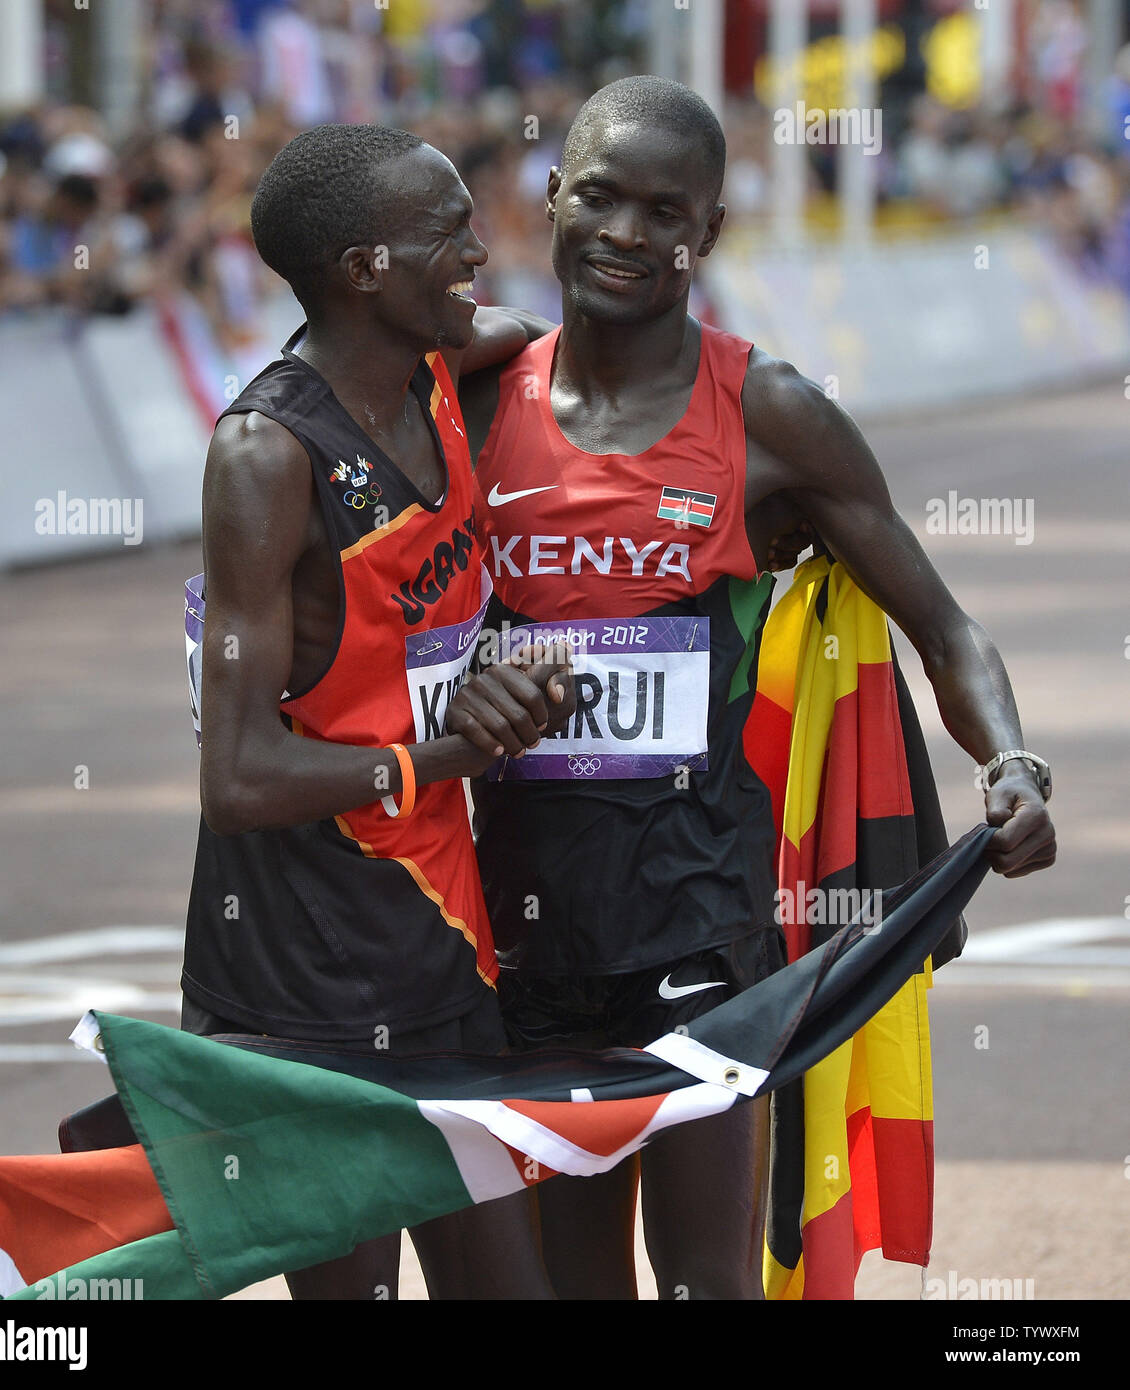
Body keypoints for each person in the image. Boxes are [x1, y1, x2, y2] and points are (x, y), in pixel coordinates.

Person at [456, 75, 1057, 1301]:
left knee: (703, 1283)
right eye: (603, 199)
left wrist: (1011, 763)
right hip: (524, 916)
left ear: (709, 232)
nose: (628, 234)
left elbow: (944, 626)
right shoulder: (473, 397)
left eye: (665, 211)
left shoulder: (767, 410)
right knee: (578, 1287)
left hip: (700, 915)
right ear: (554, 198)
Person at [180, 124, 570, 1300]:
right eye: (447, 231)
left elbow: (569, 341)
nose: (479, 247)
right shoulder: (267, 456)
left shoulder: (442, 366)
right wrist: (441, 752)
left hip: (437, 929)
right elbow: (236, 777)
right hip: (306, 963)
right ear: (362, 269)